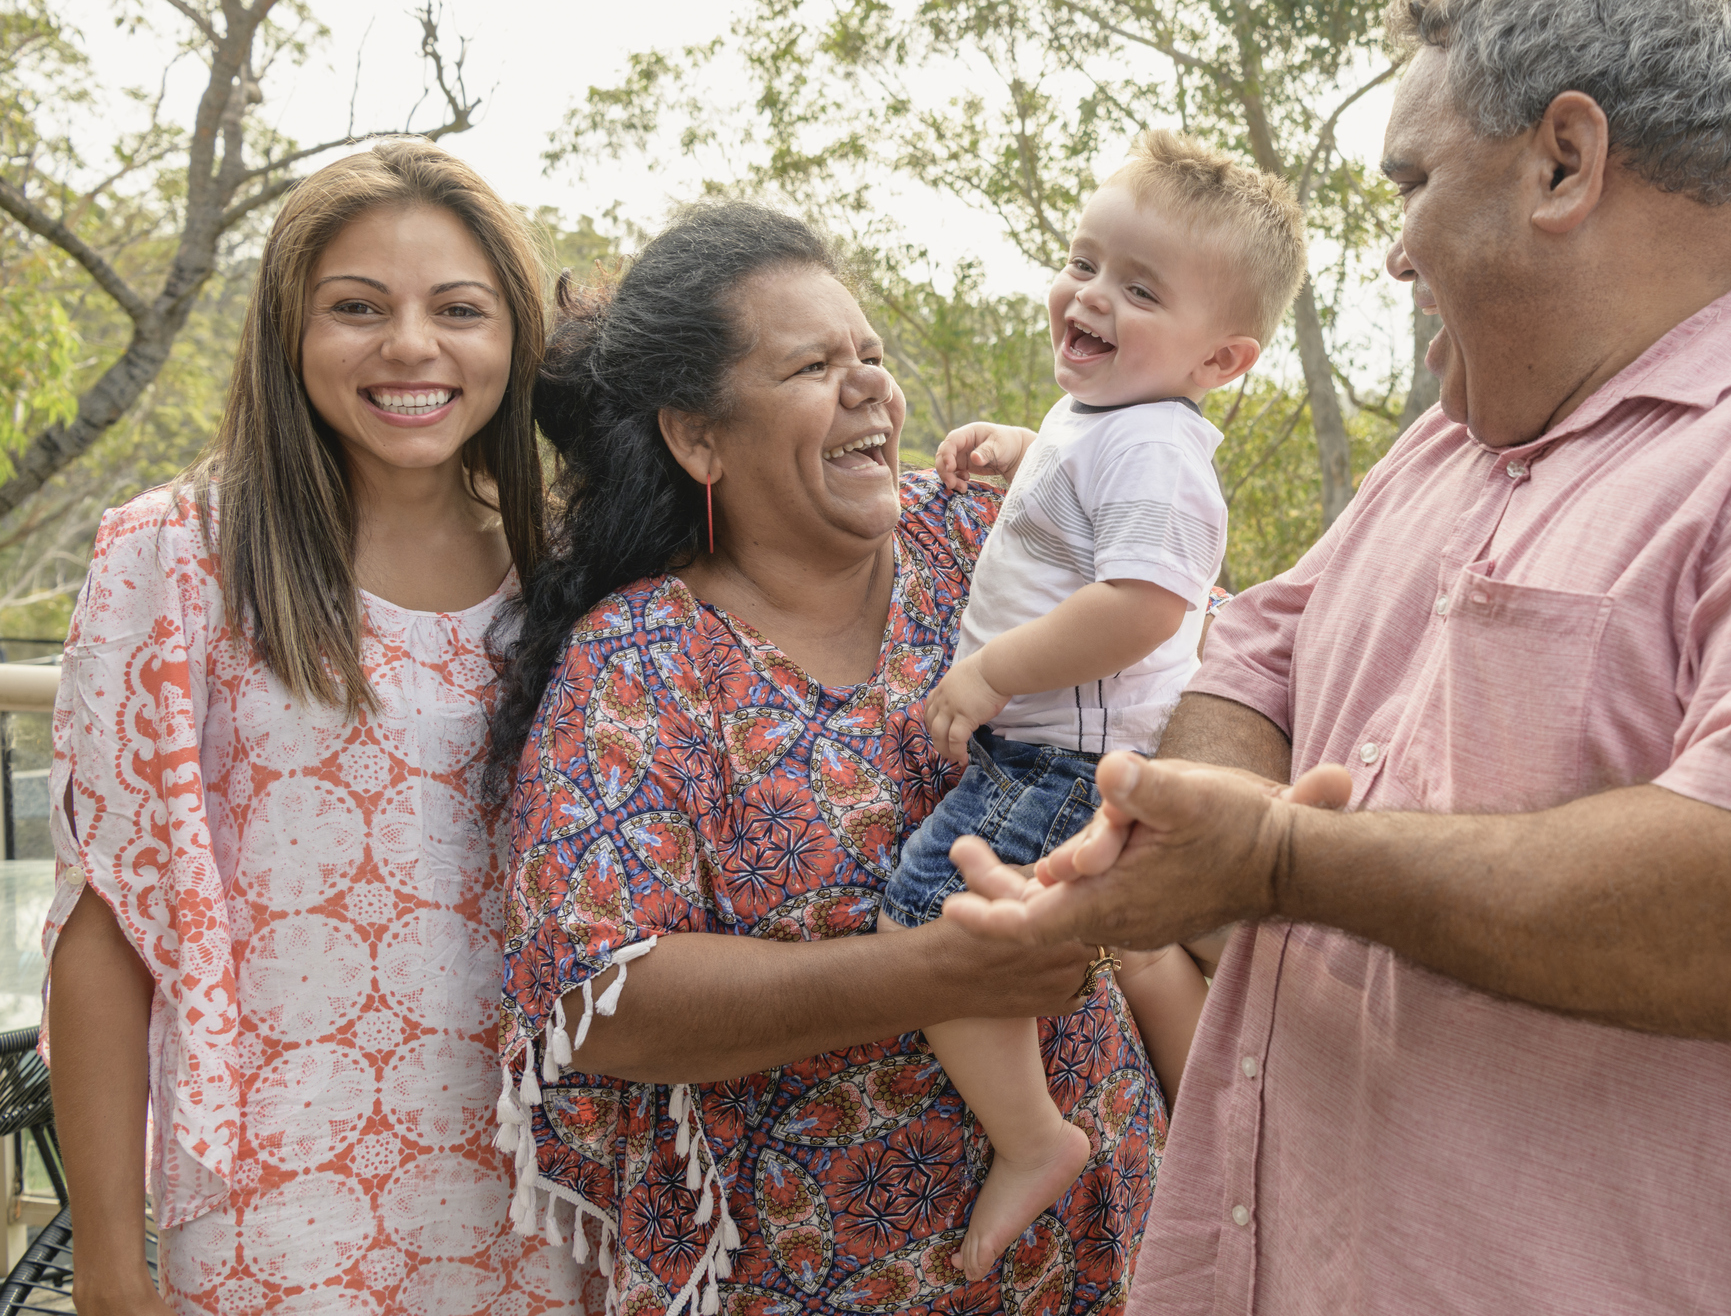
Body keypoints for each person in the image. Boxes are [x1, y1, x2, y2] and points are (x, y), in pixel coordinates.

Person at [946, 0, 1731, 1314]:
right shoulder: (1444, 452)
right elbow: (1254, 662)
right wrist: (1173, 832)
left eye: (1416, 182)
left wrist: (1278, 864)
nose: (1392, 254)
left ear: (1563, 161)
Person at [489, 200, 1166, 1316]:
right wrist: (937, 973)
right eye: (812, 364)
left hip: (1101, 1243)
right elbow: (599, 999)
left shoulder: (990, 541)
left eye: (873, 355)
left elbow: (1203, 649)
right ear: (697, 436)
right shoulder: (647, 661)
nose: (870, 388)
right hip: (816, 1275)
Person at [44, 141, 582, 1315]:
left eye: (458, 309)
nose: (410, 346)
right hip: (273, 1204)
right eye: (356, 307)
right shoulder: (177, 556)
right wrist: (106, 1258)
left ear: (513, 340)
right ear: (288, 328)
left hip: (542, 1197)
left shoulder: (571, 567)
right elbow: (107, 916)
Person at [885, 129, 1307, 1279]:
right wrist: (1030, 451)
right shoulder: (1113, 422)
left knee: (932, 917)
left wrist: (992, 671)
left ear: (1221, 360)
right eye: (1084, 262)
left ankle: (1035, 1140)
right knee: (1139, 940)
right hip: (1078, 751)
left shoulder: (1161, 451)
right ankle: (1202, 1123)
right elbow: (1090, 504)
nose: (1090, 296)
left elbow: (1145, 603)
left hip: (1060, 755)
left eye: (1138, 288)